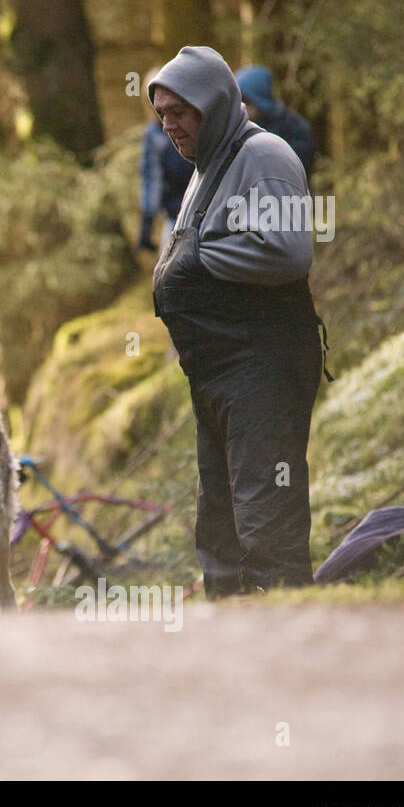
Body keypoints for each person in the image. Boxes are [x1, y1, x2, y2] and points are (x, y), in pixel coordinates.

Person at [150, 45, 327, 598]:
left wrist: (197, 258)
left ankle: (289, 647)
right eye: (161, 114)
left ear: (214, 103)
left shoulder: (266, 155)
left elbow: (288, 250)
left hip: (262, 367)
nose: (169, 126)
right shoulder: (207, 166)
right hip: (218, 376)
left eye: (180, 111)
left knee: (263, 518)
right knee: (220, 523)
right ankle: (228, 649)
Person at [139, 69, 194, 252]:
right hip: (175, 217)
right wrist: (147, 225)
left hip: (202, 210)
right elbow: (151, 179)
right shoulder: (154, 135)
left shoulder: (196, 124)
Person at [235, 64, 316, 177]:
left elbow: (296, 167)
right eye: (238, 102)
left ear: (261, 102)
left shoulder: (293, 128)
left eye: (247, 102)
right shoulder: (237, 129)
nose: (242, 108)